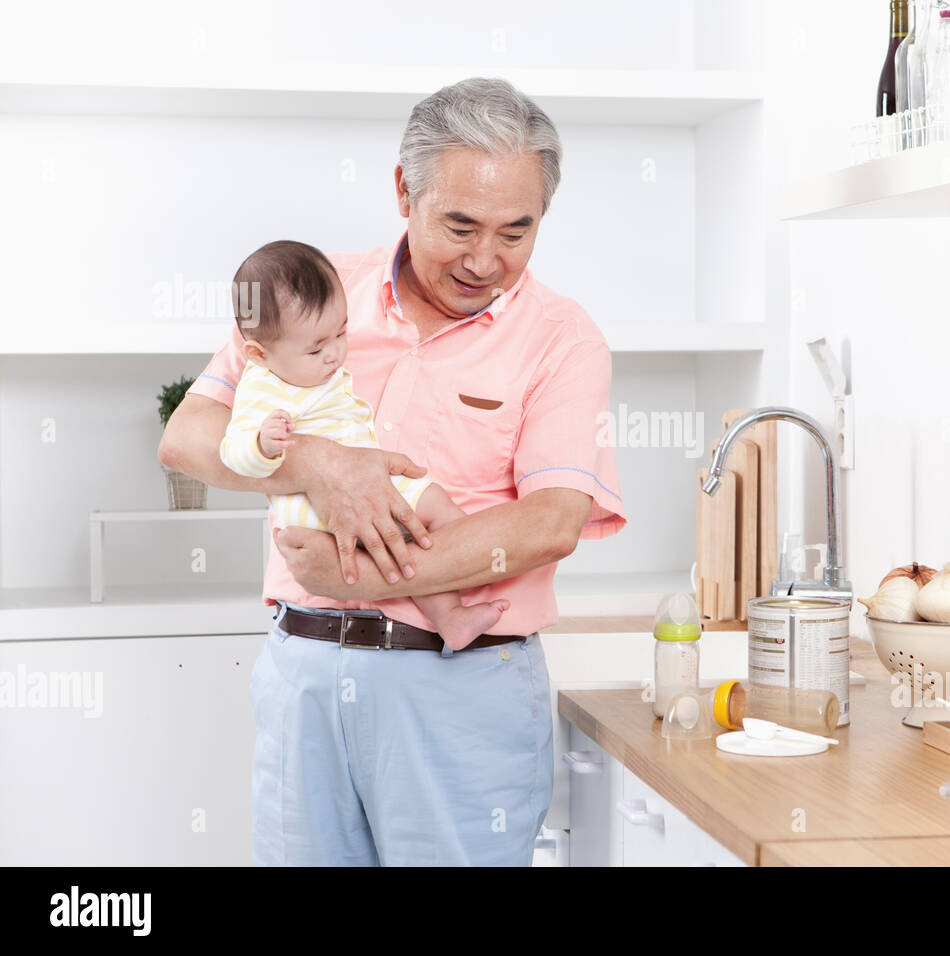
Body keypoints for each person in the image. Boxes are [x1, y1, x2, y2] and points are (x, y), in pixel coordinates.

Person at [158, 77, 626, 865]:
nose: (486, 260)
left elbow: (552, 523)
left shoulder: (564, 338)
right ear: (403, 190)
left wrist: (369, 578)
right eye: (461, 225)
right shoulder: (309, 292)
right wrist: (316, 461)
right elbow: (188, 436)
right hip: (304, 678)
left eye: (518, 231)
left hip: (459, 691)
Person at [219, 238, 510, 650]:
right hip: (312, 507)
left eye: (340, 333)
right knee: (392, 542)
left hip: (366, 479)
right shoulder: (262, 390)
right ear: (259, 354)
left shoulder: (311, 366)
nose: (335, 354)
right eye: (317, 348)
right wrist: (263, 444)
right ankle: (450, 613)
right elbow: (232, 453)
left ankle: (465, 586)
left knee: (433, 504)